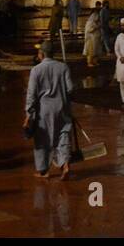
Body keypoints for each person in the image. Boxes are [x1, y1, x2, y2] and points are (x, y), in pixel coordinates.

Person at [23, 43, 76, 179]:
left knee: (42, 138)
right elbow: (70, 88)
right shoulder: (63, 67)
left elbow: (31, 94)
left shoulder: (36, 70)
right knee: (63, 135)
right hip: (62, 107)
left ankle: (43, 170)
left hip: (44, 110)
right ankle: (64, 164)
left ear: (41, 54)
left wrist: (28, 113)